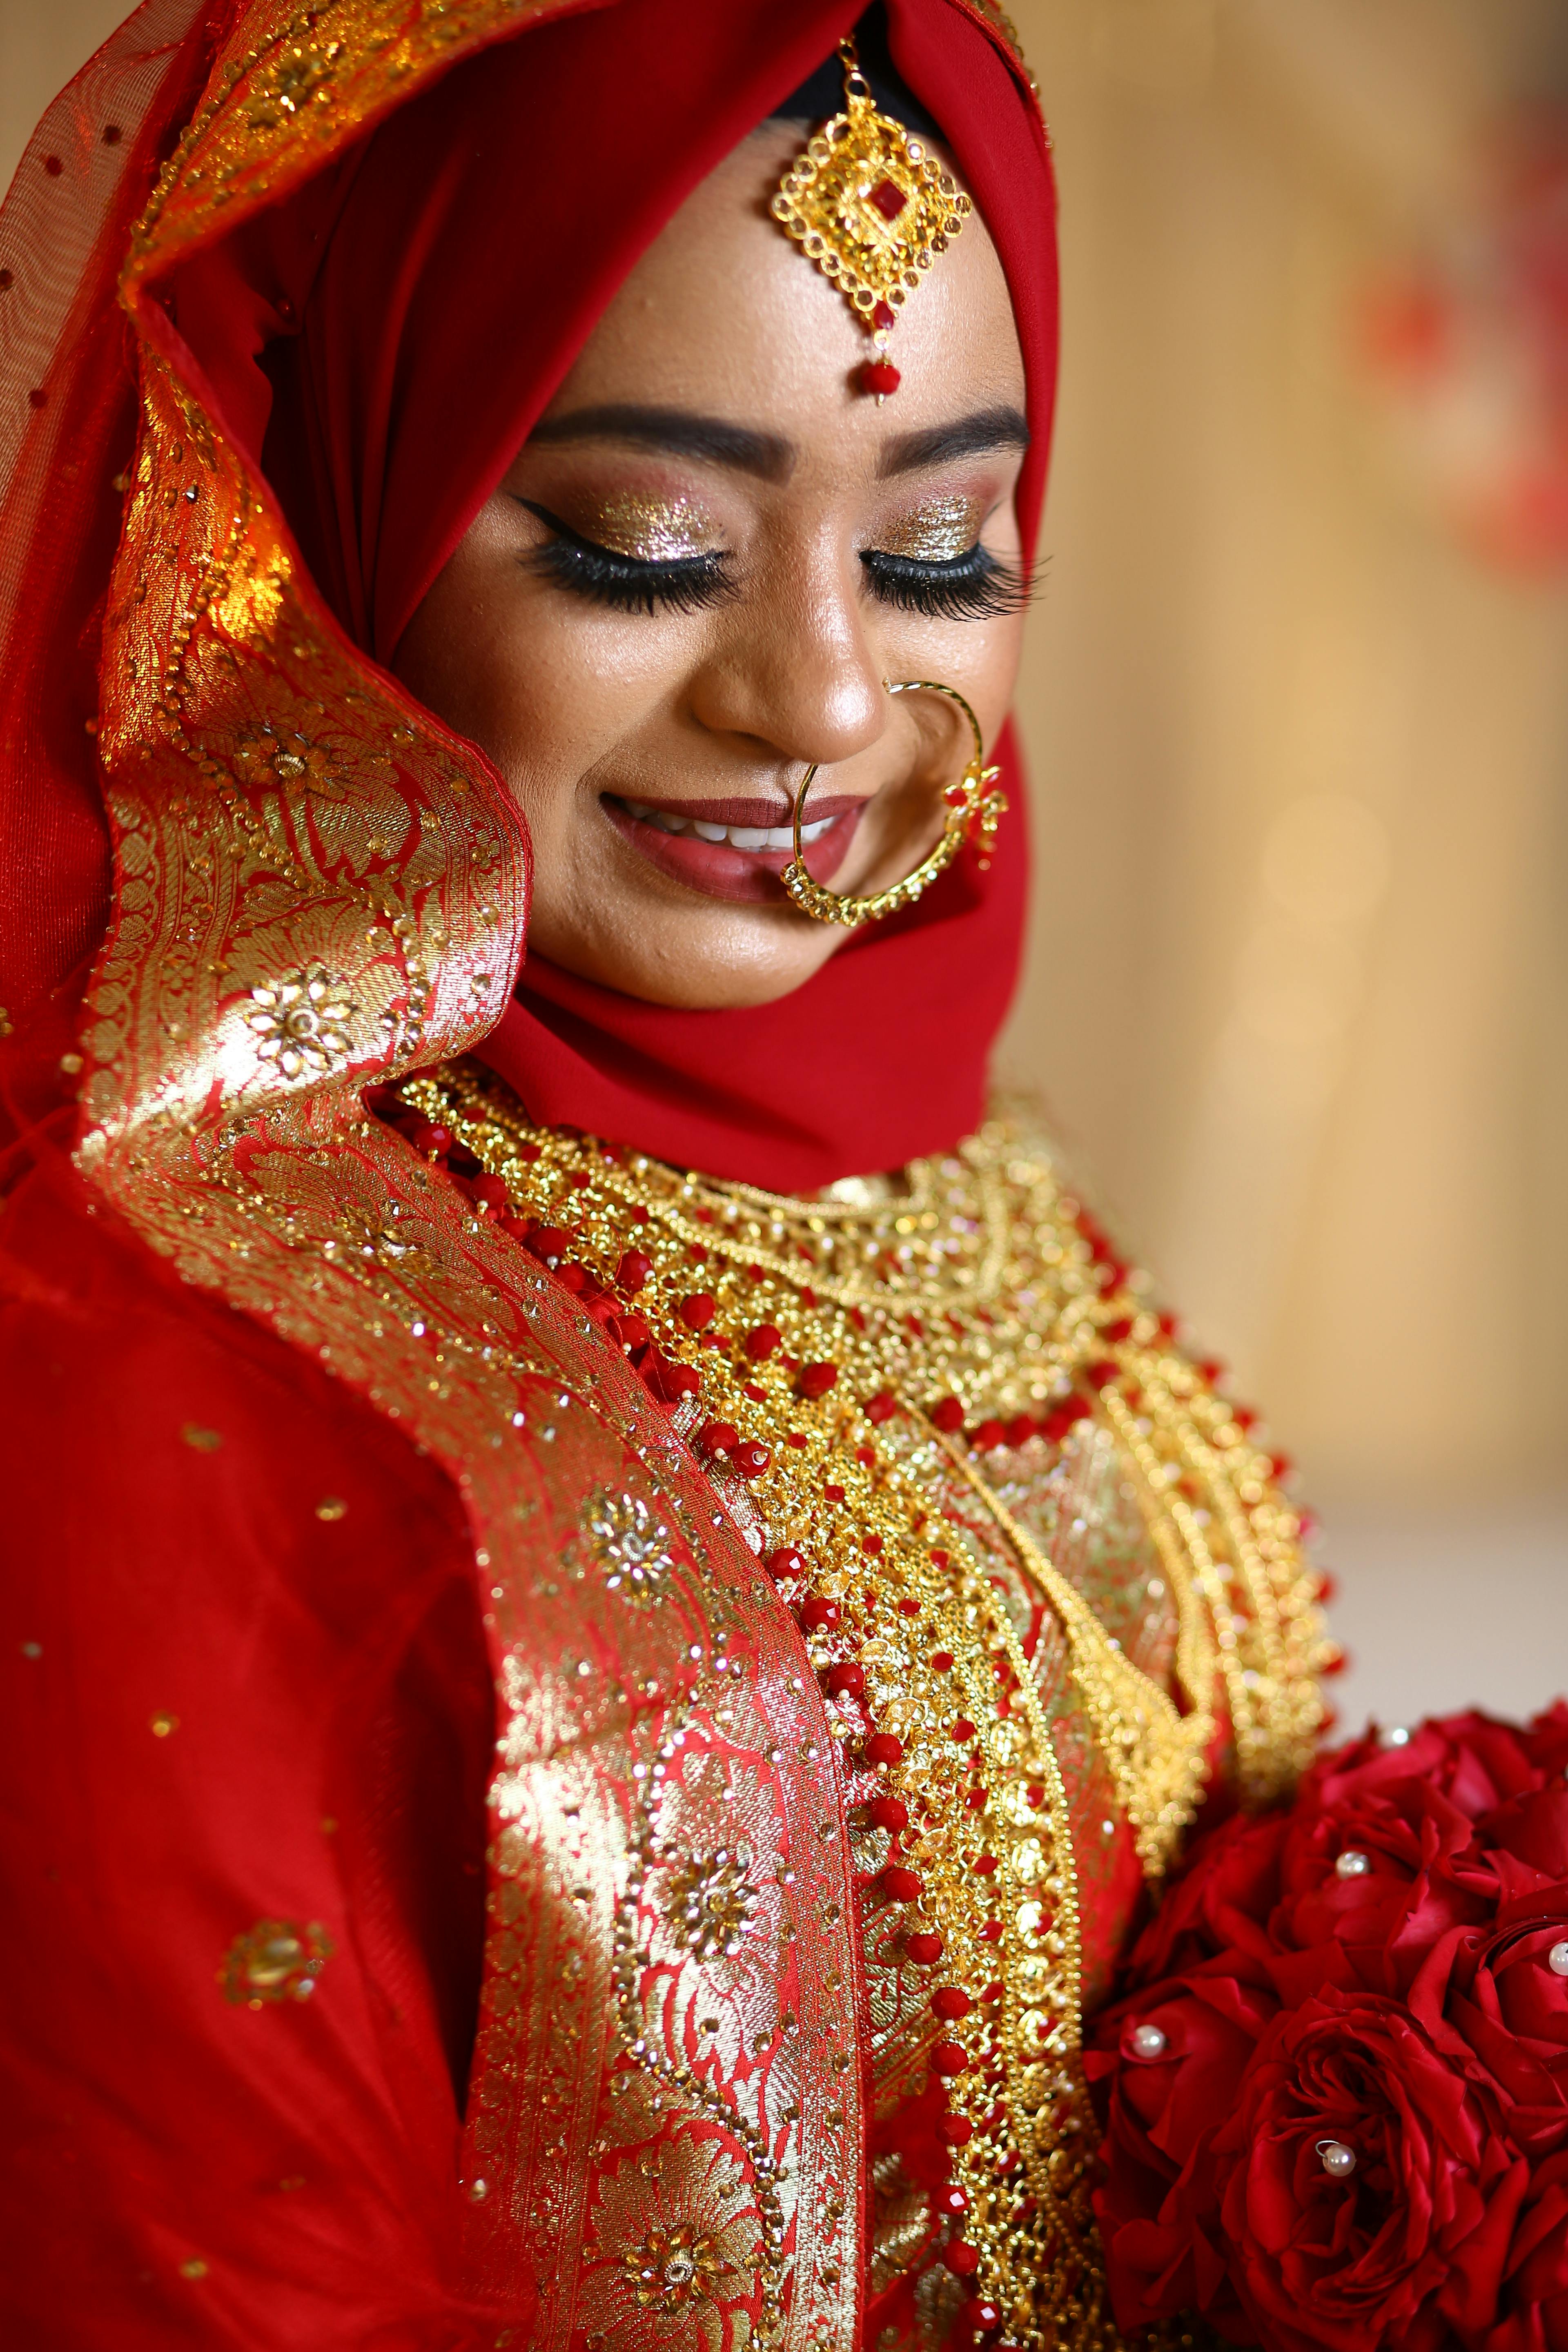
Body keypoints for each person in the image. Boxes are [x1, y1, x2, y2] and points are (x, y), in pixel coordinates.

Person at [0, 2, 1331, 2344]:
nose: (821, 699)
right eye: (642, 544)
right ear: (331, 508)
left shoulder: (957, 1177)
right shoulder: (159, 1363)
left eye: (937, 553)